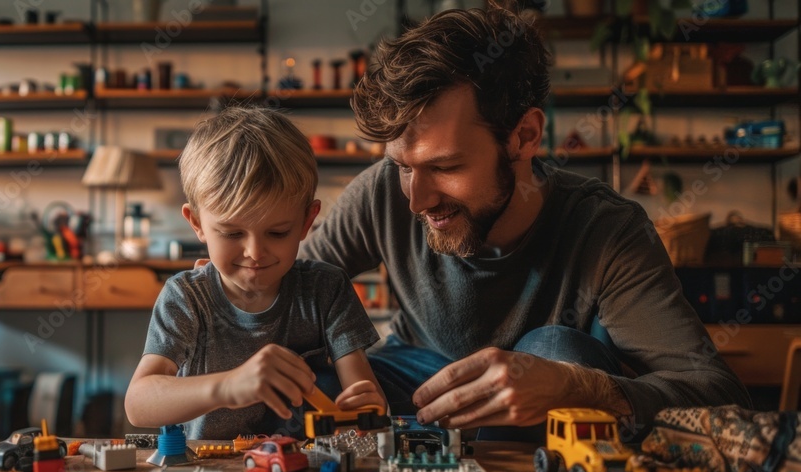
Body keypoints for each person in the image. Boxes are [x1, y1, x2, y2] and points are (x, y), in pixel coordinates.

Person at [299, 6, 751, 441]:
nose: (416, 200)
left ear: (524, 137)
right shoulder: (382, 192)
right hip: (417, 393)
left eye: (446, 167)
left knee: (559, 350)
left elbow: (720, 394)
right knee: (307, 376)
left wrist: (582, 389)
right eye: (402, 166)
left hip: (537, 421)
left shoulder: (605, 230)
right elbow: (286, 291)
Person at [125, 106, 386, 440]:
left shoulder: (327, 289)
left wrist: (366, 410)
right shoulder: (187, 298)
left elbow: (363, 394)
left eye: (277, 233)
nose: (255, 253)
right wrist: (229, 386)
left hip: (308, 471)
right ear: (197, 223)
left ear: (307, 221)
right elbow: (138, 404)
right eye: (232, 234)